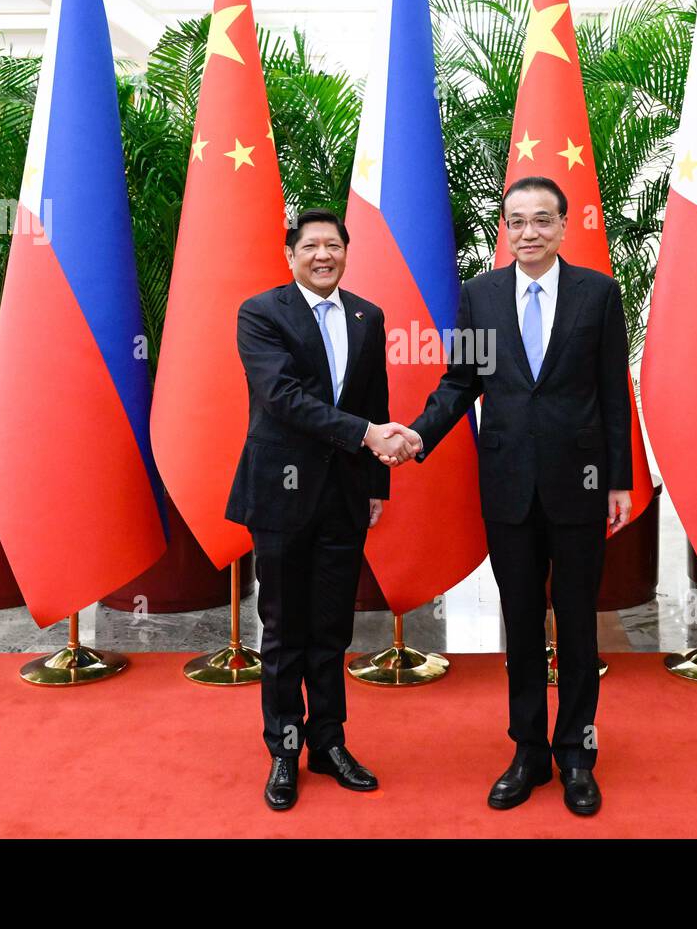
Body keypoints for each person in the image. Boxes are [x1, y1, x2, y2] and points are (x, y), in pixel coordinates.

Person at [386, 176, 632, 816]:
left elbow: (613, 393)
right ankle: (528, 751)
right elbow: (459, 384)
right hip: (509, 489)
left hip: (579, 489)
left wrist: (620, 480)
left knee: (577, 626)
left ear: (563, 225)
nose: (529, 233)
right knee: (521, 624)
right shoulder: (481, 297)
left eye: (541, 220)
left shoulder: (599, 295)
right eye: (516, 221)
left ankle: (577, 754)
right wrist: (417, 434)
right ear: (506, 228)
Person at [226, 207, 418, 811]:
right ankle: (284, 751)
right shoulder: (261, 313)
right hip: (280, 496)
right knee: (284, 629)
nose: (323, 255)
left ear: (345, 251)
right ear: (291, 255)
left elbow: (376, 398)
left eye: (333, 245)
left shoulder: (368, 315)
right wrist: (367, 434)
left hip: (344, 498)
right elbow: (282, 399)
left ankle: (329, 744)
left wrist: (377, 487)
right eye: (310, 246)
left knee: (333, 627)